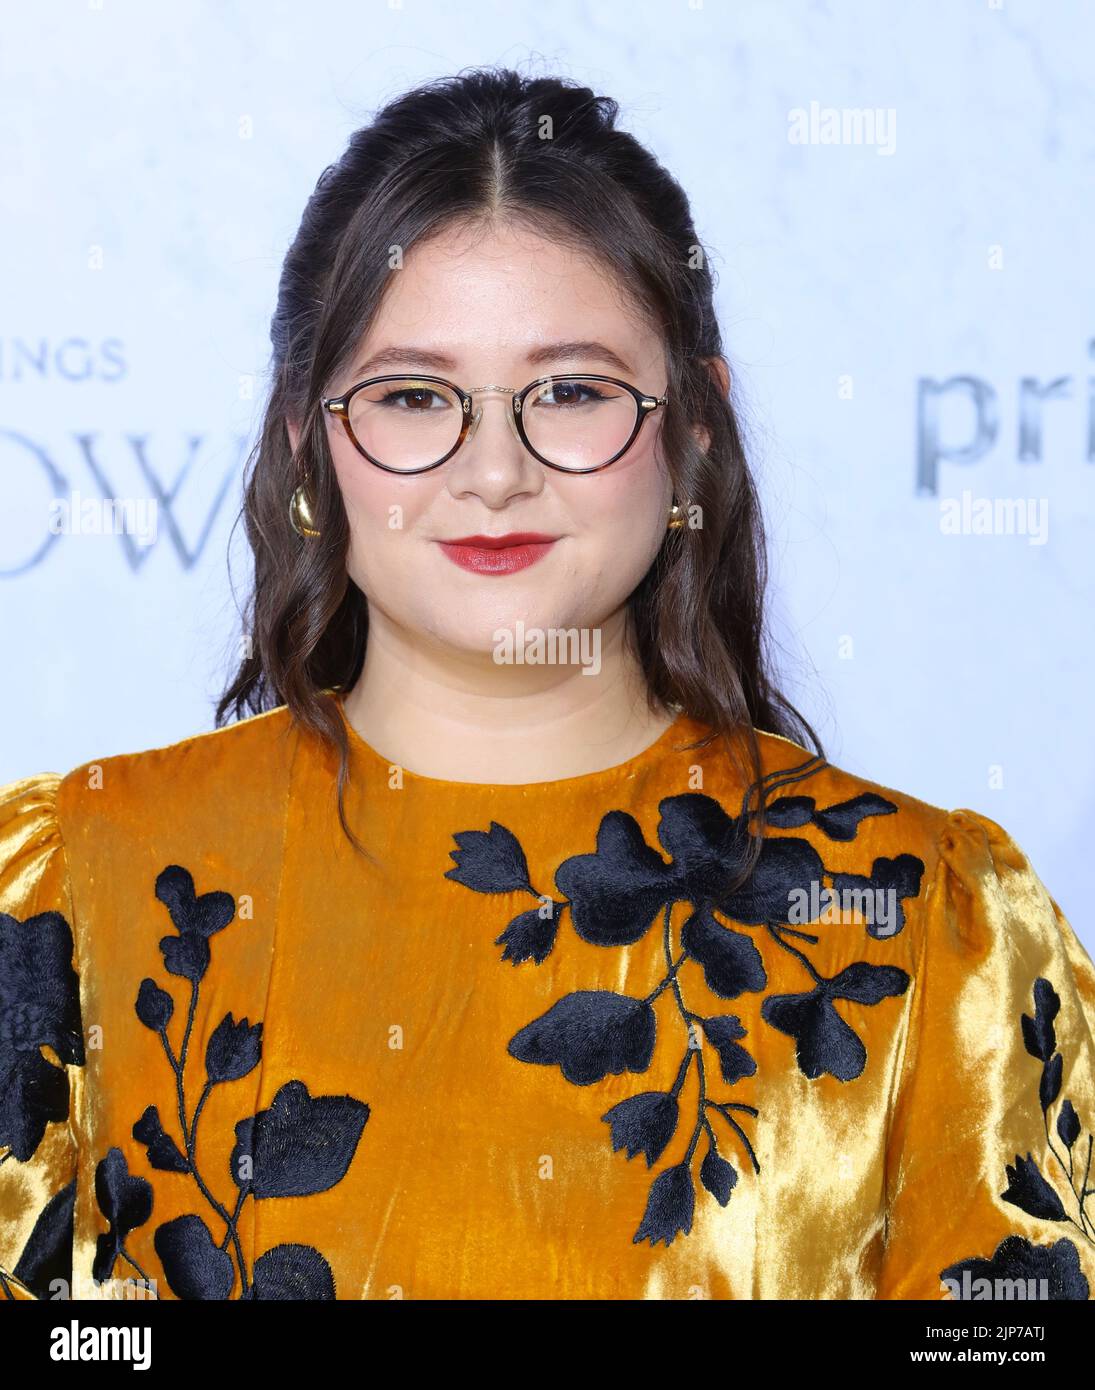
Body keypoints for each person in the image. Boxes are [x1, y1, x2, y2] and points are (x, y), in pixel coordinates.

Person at [2, 66, 1093, 1303]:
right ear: (308, 438)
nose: (495, 469)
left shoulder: (928, 925)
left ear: (693, 430)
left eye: (570, 392)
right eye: (415, 397)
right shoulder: (73, 895)